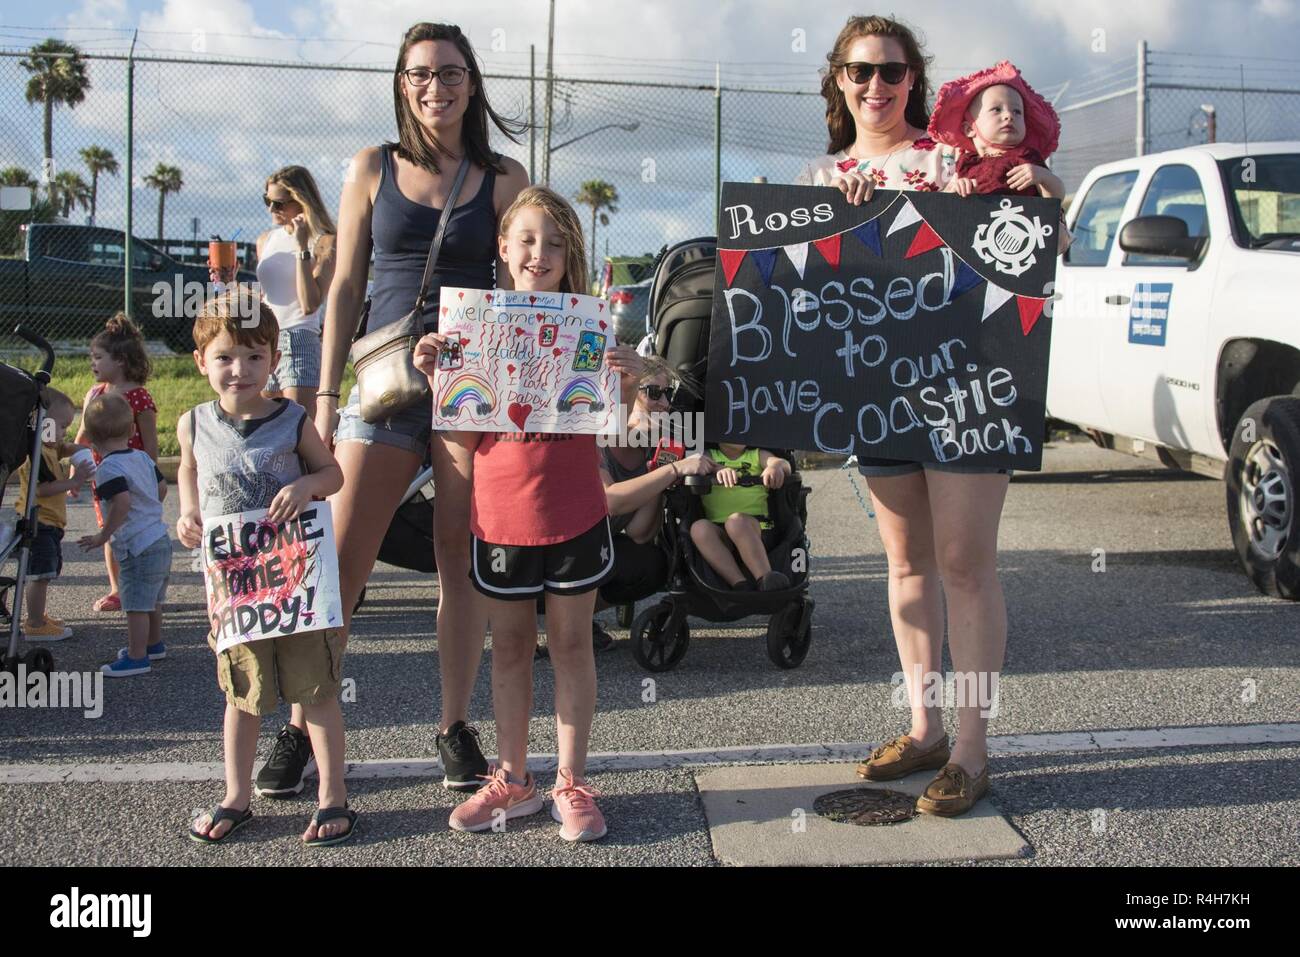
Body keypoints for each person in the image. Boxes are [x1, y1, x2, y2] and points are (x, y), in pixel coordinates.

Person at [800, 15, 1051, 817]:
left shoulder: (954, 157)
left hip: (968, 383)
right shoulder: (819, 178)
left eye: (892, 71)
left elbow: (1032, 225)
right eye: (860, 71)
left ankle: (973, 749)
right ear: (838, 80)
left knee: (965, 562)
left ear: (914, 78)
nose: (876, 86)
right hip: (875, 389)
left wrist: (1042, 188)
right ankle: (926, 728)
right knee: (905, 563)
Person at [305, 21, 530, 799]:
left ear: (473, 81)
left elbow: (527, 282)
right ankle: (302, 725)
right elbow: (342, 288)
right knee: (340, 565)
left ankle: (452, 722)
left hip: (471, 389)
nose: (436, 87)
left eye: (451, 72)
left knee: (457, 561)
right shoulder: (372, 167)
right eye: (420, 74)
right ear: (402, 84)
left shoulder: (503, 175)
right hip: (383, 384)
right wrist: (326, 396)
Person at [415, 186, 643, 842]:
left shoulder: (588, 326)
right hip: (501, 518)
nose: (538, 252)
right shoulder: (472, 326)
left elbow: (617, 435)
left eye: (553, 241)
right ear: (503, 248)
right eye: (527, 239)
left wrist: (626, 387)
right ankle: (513, 778)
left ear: (569, 253)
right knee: (510, 645)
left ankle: (570, 779)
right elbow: (460, 439)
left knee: (571, 644)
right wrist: (442, 381)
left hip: (574, 513)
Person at [177, 289, 351, 845]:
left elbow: (333, 475)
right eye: (226, 356)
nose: (240, 369)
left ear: (274, 360)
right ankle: (236, 795)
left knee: (317, 690)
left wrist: (305, 484)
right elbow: (187, 469)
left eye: (255, 357)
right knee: (241, 694)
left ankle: (332, 797)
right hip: (237, 590)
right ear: (201, 361)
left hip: (294, 579)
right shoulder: (192, 424)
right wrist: (187, 511)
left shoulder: (292, 419)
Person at [593, 360, 716, 631]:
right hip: (555, 551)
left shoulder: (654, 446)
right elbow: (610, 501)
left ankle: (580, 618)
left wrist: (660, 470)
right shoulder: (596, 436)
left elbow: (639, 533)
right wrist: (673, 469)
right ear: (626, 393)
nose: (663, 403)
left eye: (668, 394)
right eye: (652, 392)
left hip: (600, 543)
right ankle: (560, 622)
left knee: (653, 564)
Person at [77, 393, 169, 678]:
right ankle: (154, 644)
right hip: (159, 537)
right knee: (152, 598)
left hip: (137, 546)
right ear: (132, 431)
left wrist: (103, 535)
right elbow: (162, 488)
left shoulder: (107, 469)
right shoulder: (141, 457)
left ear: (91, 439)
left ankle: (136, 655)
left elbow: (122, 503)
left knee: (135, 605)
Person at [76, 315, 158, 614]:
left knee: (135, 528)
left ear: (121, 360)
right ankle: (117, 589)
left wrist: (152, 477)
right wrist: (74, 470)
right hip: (104, 479)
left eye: (98, 357)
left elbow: (150, 445)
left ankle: (141, 582)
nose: (92, 363)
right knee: (109, 529)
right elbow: (83, 437)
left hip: (134, 478)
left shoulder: (139, 398)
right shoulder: (94, 395)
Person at [256, 165, 338, 410]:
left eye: (279, 204)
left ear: (301, 201)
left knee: (296, 430)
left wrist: (302, 247)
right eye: (267, 201)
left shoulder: (324, 241)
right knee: (263, 428)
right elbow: (266, 297)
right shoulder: (266, 240)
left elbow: (310, 303)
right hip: (265, 339)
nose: (272, 209)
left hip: (299, 339)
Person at [928, 61, 1063, 199]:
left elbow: (1056, 199)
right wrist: (956, 190)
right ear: (969, 129)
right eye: (996, 110)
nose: (1009, 116)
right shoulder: (966, 163)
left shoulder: (1026, 156)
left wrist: (1044, 177)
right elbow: (945, 205)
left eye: (1017, 112)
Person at [15, 388, 86, 642]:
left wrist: (78, 448)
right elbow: (42, 489)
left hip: (48, 522)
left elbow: (61, 448)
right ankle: (34, 623)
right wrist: (75, 480)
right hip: (39, 521)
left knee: (46, 571)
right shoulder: (37, 455)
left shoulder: (46, 447)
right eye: (62, 426)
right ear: (43, 424)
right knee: (40, 574)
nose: (65, 432)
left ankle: (38, 615)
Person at [689, 444, 792, 591]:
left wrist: (775, 467)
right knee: (699, 528)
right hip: (720, 532)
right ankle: (739, 584)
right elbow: (694, 463)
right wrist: (717, 468)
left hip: (756, 528)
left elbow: (784, 463)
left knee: (736, 522)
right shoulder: (709, 455)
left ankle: (765, 578)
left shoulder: (757, 455)